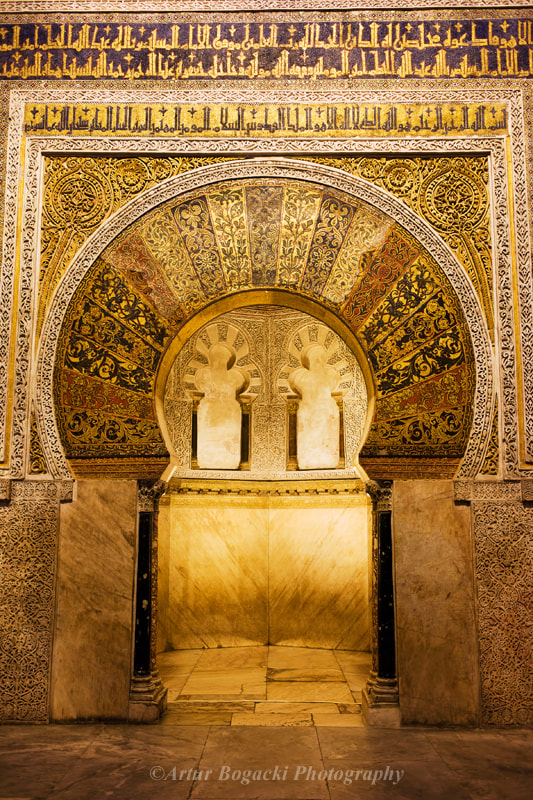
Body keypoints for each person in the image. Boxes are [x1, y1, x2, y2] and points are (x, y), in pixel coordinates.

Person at [195, 343, 247, 469]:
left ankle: (230, 459)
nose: (220, 359)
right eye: (218, 356)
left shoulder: (234, 377)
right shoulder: (204, 375)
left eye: (223, 356)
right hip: (209, 414)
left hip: (229, 414)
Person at [289, 343, 340, 469]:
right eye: (315, 357)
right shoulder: (301, 376)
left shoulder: (330, 376)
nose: (318, 361)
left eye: (319, 358)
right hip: (310, 417)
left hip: (324, 415)